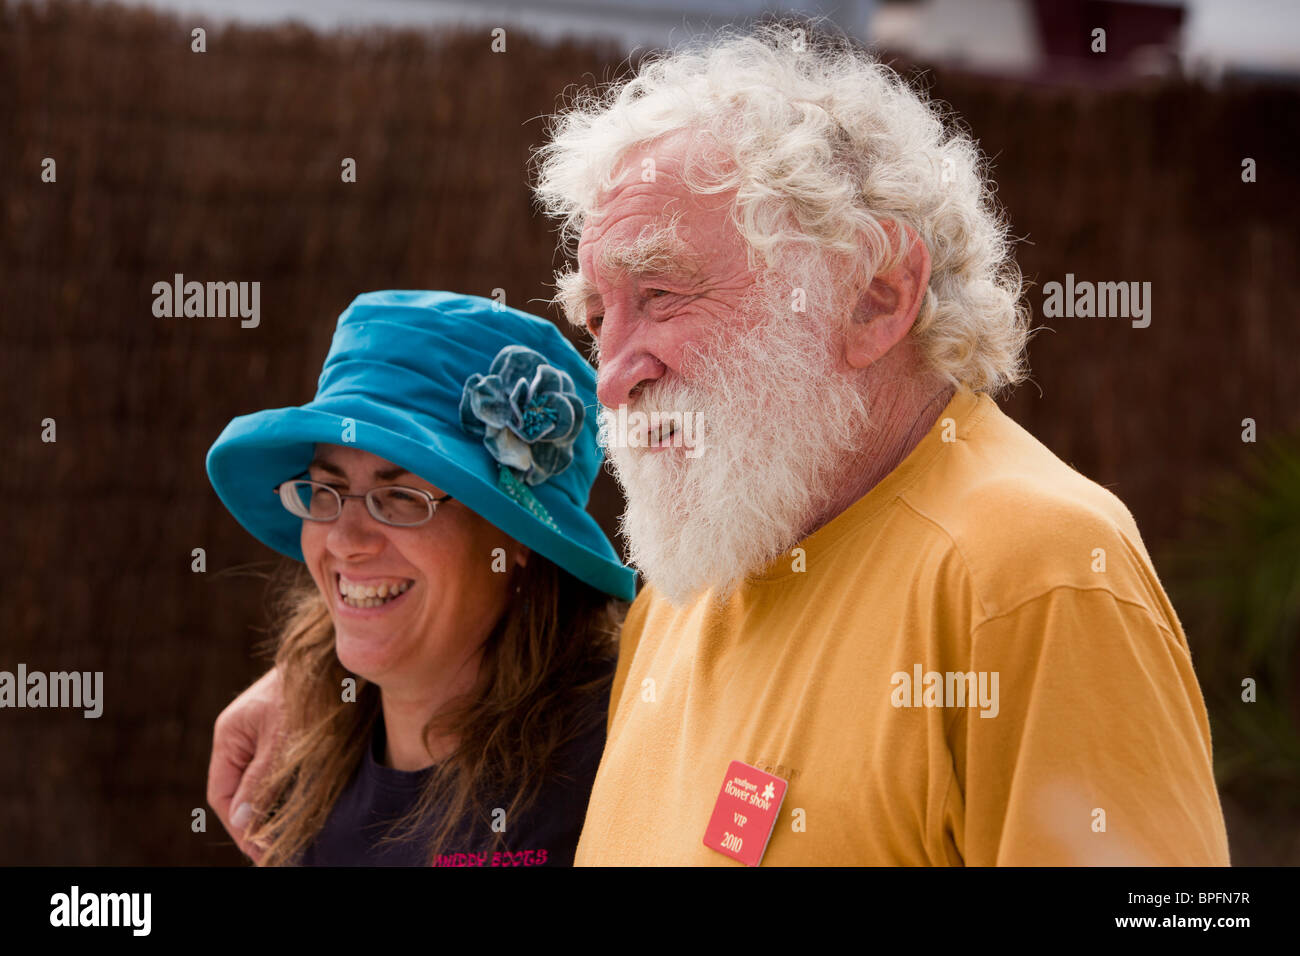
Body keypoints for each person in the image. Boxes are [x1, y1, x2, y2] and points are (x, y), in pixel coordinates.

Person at [212, 24, 1232, 865]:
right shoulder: (699, 569)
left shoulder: (1036, 573)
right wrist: (323, 676)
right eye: (599, 315)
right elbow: (512, 659)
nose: (612, 372)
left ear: (874, 295)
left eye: (661, 294)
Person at [205, 290, 635, 866]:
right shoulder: (293, 771)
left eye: (402, 497)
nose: (344, 540)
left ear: (519, 539)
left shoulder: (623, 759)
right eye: (325, 489)